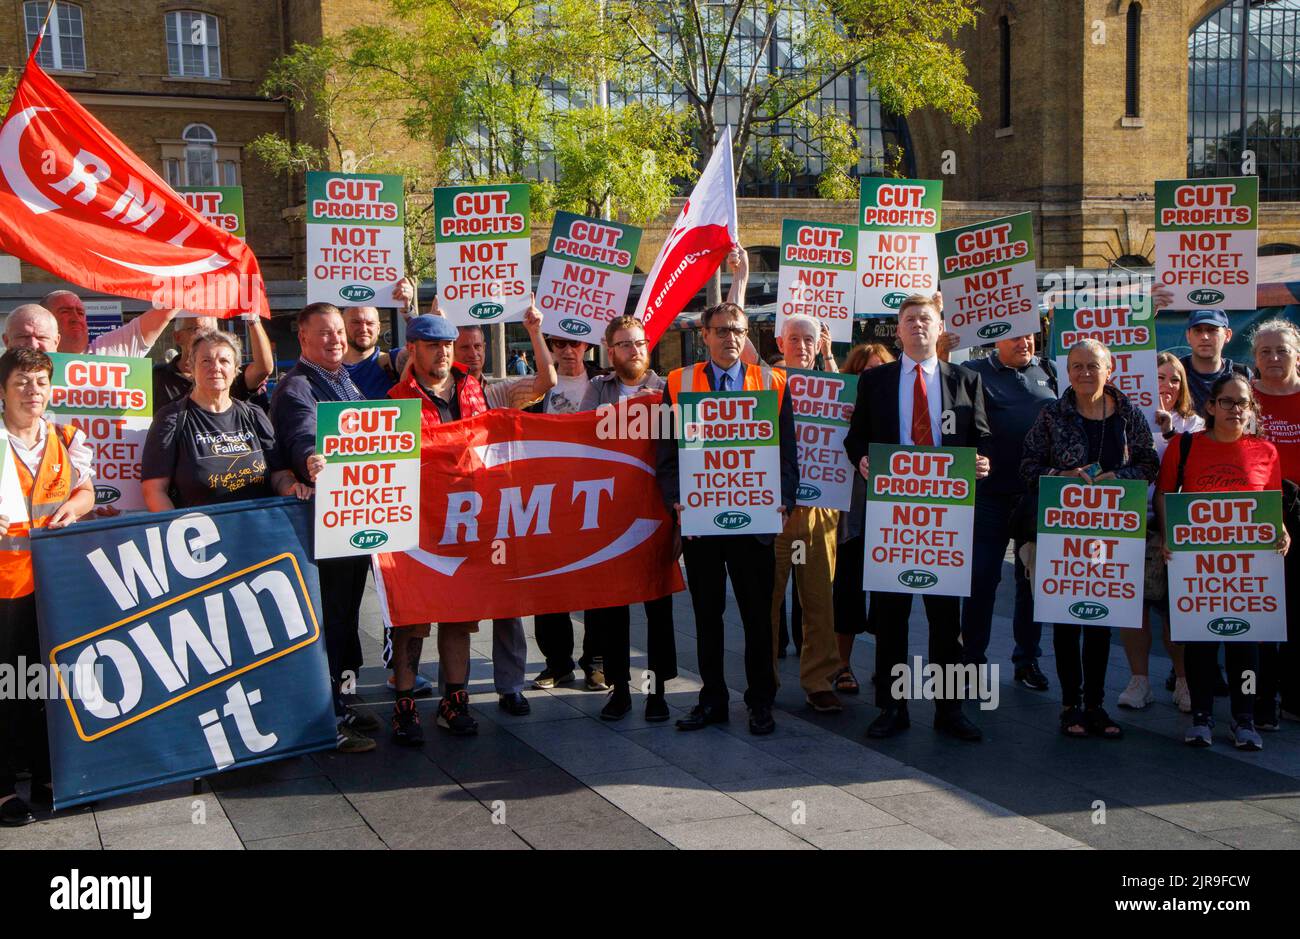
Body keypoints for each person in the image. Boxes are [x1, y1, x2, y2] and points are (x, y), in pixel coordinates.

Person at [843, 293, 991, 742]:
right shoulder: (878, 382)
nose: (918, 326)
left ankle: (950, 711)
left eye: (926, 318)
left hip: (945, 522)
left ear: (939, 325)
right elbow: (856, 440)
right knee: (891, 619)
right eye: (909, 320)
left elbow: (981, 437)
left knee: (947, 622)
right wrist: (864, 461)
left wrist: (982, 462)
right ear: (898, 329)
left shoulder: (965, 380)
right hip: (893, 519)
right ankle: (892, 707)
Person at [657, 294, 798, 736]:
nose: (731, 338)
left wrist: (784, 499)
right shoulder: (678, 383)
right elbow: (666, 456)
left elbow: (788, 455)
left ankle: (760, 702)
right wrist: (677, 499)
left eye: (738, 331)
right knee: (706, 615)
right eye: (721, 331)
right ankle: (712, 698)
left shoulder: (772, 382)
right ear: (704, 336)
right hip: (701, 523)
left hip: (755, 523)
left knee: (759, 617)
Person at [1021, 338, 1159, 740]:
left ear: (1109, 370)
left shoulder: (1128, 414)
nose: (1084, 373)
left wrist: (1119, 477)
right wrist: (1061, 476)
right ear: (1068, 373)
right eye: (1077, 366)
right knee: (1066, 620)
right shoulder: (1052, 415)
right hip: (1063, 531)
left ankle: (1096, 705)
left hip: (1113, 532)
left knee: (1101, 619)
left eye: (1092, 366)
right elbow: (1028, 466)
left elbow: (1149, 463)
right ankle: (1070, 706)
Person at [270, 302, 380, 753]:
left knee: (348, 618)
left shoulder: (343, 379)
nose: (336, 339)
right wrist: (311, 459)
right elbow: (302, 435)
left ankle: (346, 698)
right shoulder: (297, 387)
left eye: (339, 332)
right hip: (324, 524)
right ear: (303, 338)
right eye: (325, 334)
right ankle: (328, 716)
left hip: (353, 520)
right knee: (329, 619)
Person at [1155, 373, 1285, 751]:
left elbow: (1272, 502)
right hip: (1199, 567)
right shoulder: (1185, 446)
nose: (1235, 409)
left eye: (1242, 402)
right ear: (1210, 407)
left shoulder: (1265, 450)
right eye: (1227, 401)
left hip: (1248, 570)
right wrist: (1168, 535)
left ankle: (1244, 719)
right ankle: (1201, 716)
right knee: (1201, 644)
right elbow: (1165, 495)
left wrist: (1281, 530)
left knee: (1247, 647)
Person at [0, 347, 96, 826]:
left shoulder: (65, 435)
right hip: (4, 589)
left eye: (39, 382)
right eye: (21, 381)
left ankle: (47, 777)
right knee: (5, 686)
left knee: (47, 684)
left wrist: (75, 508)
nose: (32, 391)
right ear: (3, 388)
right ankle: (2, 790)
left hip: (55, 585)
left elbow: (87, 488)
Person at [384, 314, 490, 741]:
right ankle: (405, 706)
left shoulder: (472, 387)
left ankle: (454, 700)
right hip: (418, 521)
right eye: (433, 345)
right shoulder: (396, 397)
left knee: (459, 614)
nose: (444, 351)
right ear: (413, 349)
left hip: (466, 517)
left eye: (448, 344)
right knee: (411, 616)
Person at [580, 315, 679, 722]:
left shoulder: (668, 390)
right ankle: (620, 690)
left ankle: (656, 693)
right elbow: (579, 442)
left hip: (656, 513)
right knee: (612, 608)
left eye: (639, 342)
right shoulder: (596, 391)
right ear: (610, 350)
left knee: (658, 608)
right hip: (612, 516)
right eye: (624, 344)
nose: (633, 350)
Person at [960, 331, 1057, 692]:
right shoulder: (974, 371)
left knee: (1031, 583)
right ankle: (970, 660)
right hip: (990, 495)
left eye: (1030, 336)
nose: (1024, 343)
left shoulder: (1048, 369)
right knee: (982, 579)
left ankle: (1027, 659)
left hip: (1034, 496)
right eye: (1015, 336)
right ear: (996, 339)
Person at [141, 329, 309, 510]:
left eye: (224, 361)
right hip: (201, 535)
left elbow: (280, 475)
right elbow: (154, 490)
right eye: (206, 361)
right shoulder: (171, 419)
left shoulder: (254, 415)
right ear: (191, 367)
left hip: (258, 532)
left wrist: (290, 487)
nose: (215, 367)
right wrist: (177, 531)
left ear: (236, 369)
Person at [1118, 352, 1201, 712]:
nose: (1165, 386)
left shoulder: (1194, 424)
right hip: (1133, 526)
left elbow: (1192, 469)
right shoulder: (1124, 420)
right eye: (1158, 377)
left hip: (1175, 532)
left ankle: (1183, 680)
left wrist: (1169, 431)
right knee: (1132, 610)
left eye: (1173, 379)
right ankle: (1140, 681)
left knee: (1175, 612)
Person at [769, 313, 843, 713]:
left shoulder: (835, 387)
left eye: (808, 340)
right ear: (781, 343)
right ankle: (765, 680)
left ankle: (819, 680)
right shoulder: (765, 382)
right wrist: (739, 281)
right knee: (768, 598)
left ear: (819, 344)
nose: (800, 345)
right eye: (793, 338)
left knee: (819, 598)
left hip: (820, 508)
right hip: (775, 509)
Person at [529, 334, 611, 691]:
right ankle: (556, 662)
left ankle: (596, 661)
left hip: (595, 494)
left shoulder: (604, 383)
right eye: (558, 344)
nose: (566, 350)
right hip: (547, 494)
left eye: (574, 344)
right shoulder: (534, 386)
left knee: (595, 581)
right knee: (549, 582)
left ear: (587, 347)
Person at [831, 343, 893, 694]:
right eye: (865, 372)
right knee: (848, 592)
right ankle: (842, 665)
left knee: (888, 598)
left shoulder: (898, 405)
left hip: (891, 517)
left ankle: (886, 668)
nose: (873, 377)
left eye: (880, 369)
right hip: (851, 515)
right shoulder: (841, 408)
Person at [1250, 320, 1300, 729]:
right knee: (1263, 610)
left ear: (1296, 354)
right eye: (1265, 351)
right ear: (1254, 358)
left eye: (1281, 350)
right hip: (1259, 512)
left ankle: (1294, 695)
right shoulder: (1243, 400)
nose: (1273, 358)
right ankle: (1260, 696)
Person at [152, 315, 273, 407]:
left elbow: (263, 369)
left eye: (211, 332)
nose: (205, 337)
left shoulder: (226, 374)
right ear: (178, 337)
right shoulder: (157, 377)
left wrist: (252, 318)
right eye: (197, 329)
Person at [43, 289, 179, 358]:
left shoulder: (107, 351)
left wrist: (191, 273)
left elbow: (164, 312)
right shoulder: (31, 364)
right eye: (65, 311)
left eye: (80, 313)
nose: (75, 318)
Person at [454, 322, 556, 409]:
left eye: (477, 346)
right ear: (452, 350)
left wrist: (535, 331)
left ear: (484, 348)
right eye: (465, 347)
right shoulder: (443, 395)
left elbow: (547, 380)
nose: (473, 353)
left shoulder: (501, 393)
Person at [1177, 308, 1252, 415]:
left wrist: (1250, 431)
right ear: (1188, 336)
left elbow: (1252, 417)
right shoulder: (1175, 373)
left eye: (1212, 330)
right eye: (1198, 330)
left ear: (1228, 335)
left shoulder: (1242, 374)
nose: (1204, 337)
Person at [341, 306, 399, 399]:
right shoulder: (325, 368)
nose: (363, 329)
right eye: (356, 322)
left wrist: (408, 312)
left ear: (379, 328)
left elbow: (423, 348)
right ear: (342, 326)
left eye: (370, 323)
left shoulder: (393, 362)